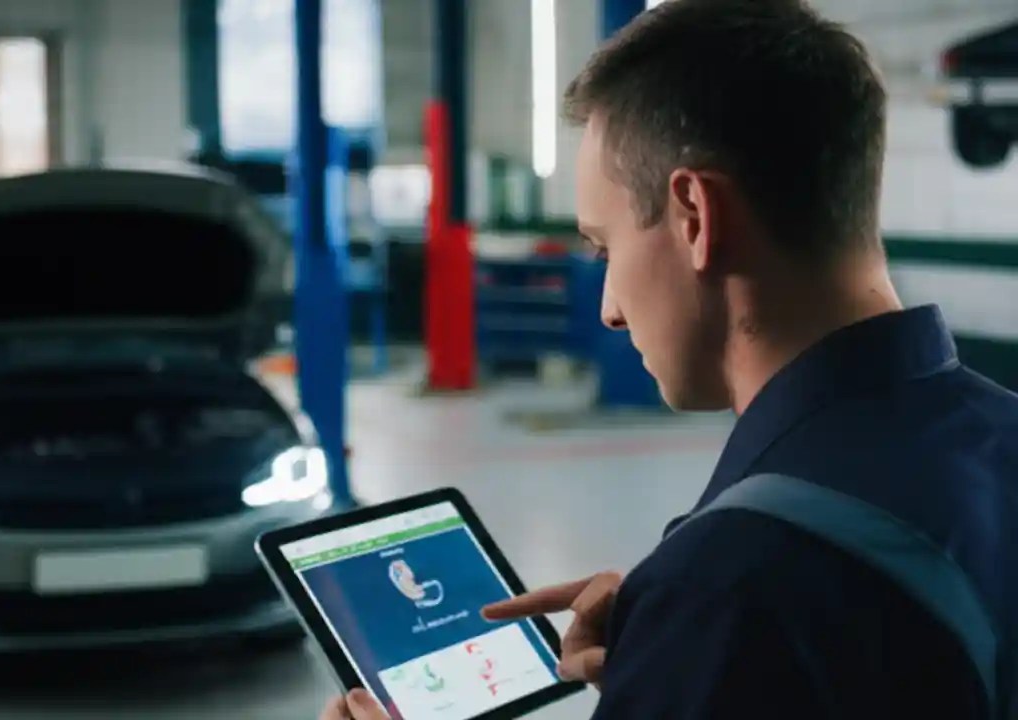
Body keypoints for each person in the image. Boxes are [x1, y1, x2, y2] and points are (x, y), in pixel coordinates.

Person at [321, 0, 1018, 718]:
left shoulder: (735, 582)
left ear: (694, 217)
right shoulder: (1000, 440)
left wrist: (693, 637)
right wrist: (671, 658)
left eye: (604, 248)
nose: (609, 309)